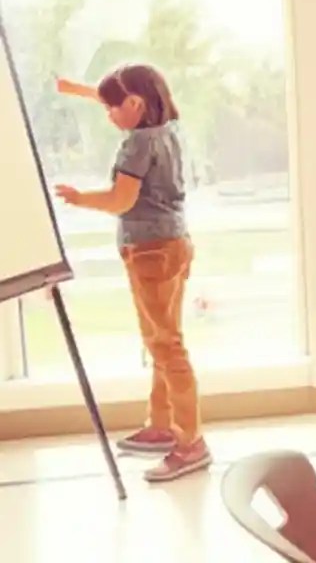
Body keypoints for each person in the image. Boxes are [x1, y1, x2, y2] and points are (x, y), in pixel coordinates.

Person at [54, 66, 210, 482]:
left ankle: (190, 442)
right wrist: (78, 89)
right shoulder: (169, 128)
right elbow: (125, 97)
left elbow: (120, 200)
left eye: (111, 108)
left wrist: (78, 198)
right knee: (165, 342)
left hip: (149, 252)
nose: (108, 116)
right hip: (176, 244)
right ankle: (163, 425)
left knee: (166, 347)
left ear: (136, 105)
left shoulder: (137, 145)